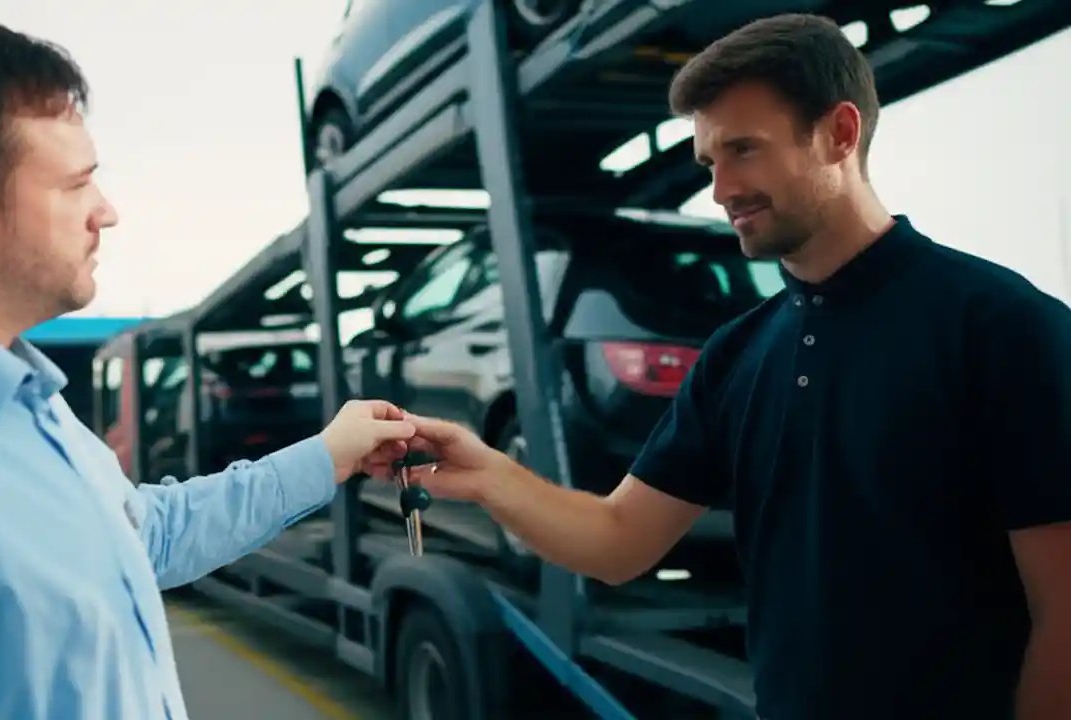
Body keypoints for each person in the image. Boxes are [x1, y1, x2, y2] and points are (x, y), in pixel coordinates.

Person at [404, 12, 1071, 720]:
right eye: (709, 162)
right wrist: (488, 475)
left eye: (744, 150)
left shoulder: (1004, 327)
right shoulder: (736, 356)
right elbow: (619, 541)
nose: (721, 188)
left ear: (839, 133)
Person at [0, 20, 414, 719]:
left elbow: (146, 536)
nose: (106, 213)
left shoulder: (25, 395)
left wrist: (330, 456)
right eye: (77, 184)